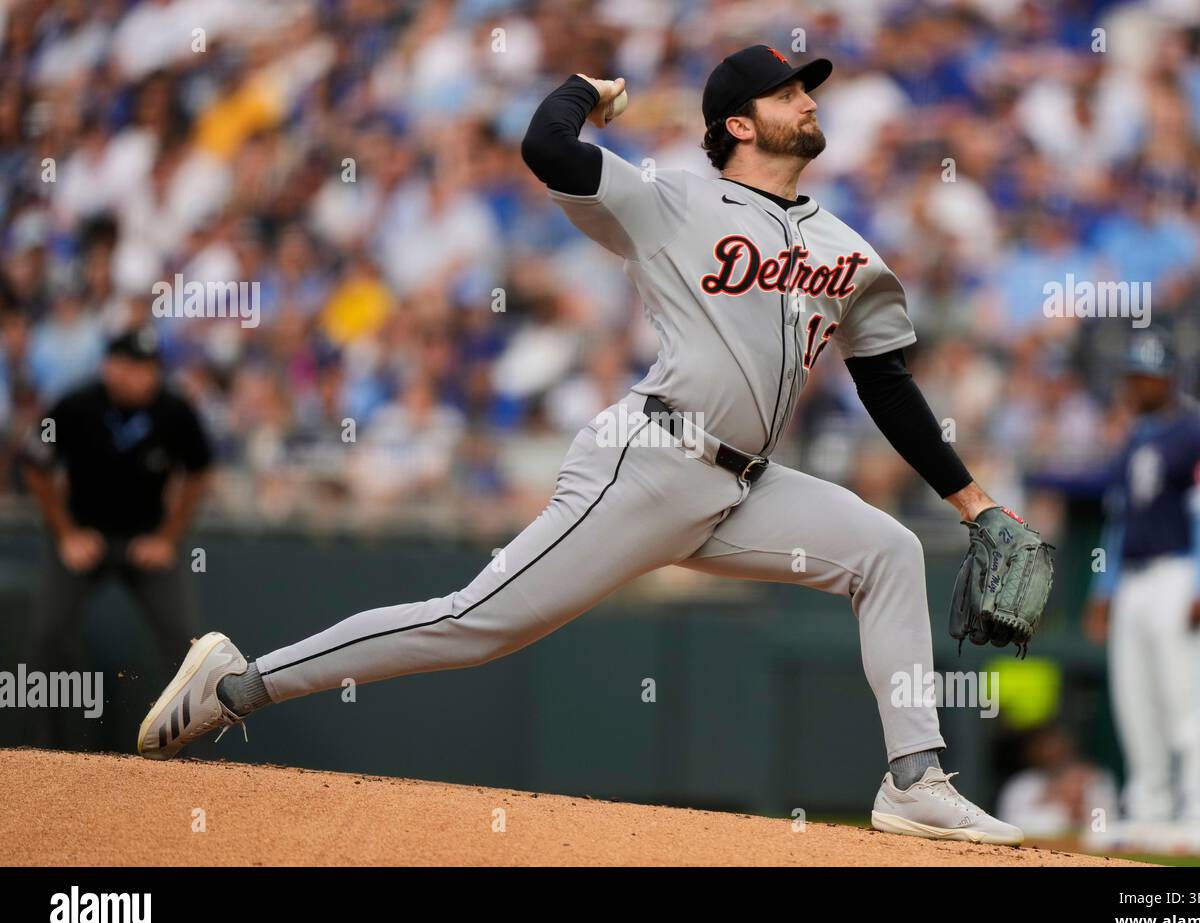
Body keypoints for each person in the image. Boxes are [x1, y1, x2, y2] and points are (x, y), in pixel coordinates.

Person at [138, 46, 1051, 845]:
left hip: (746, 489)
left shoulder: (847, 249)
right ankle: (238, 684)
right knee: (472, 624)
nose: (808, 101)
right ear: (738, 122)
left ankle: (914, 783)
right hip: (648, 462)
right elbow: (546, 148)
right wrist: (584, 88)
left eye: (807, 90)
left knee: (886, 550)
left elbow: (885, 384)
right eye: (787, 93)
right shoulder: (670, 199)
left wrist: (972, 501)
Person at [21, 325, 213, 745]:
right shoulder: (75, 406)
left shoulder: (174, 411)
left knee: (187, 643)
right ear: (111, 367)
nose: (144, 377)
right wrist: (67, 533)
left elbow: (199, 473)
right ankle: (42, 753)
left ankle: (186, 749)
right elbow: (34, 466)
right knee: (47, 637)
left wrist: (167, 536)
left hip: (145, 541)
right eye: (134, 367)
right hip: (84, 539)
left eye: (150, 368)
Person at [1085, 332, 1200, 825]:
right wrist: (1103, 590)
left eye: (1146, 376)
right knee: (1136, 696)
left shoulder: (1196, 434)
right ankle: (1150, 803)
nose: (1138, 384)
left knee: (1189, 694)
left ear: (1169, 378)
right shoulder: (1134, 438)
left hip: (1181, 569)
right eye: (1134, 375)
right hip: (1133, 577)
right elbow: (1118, 520)